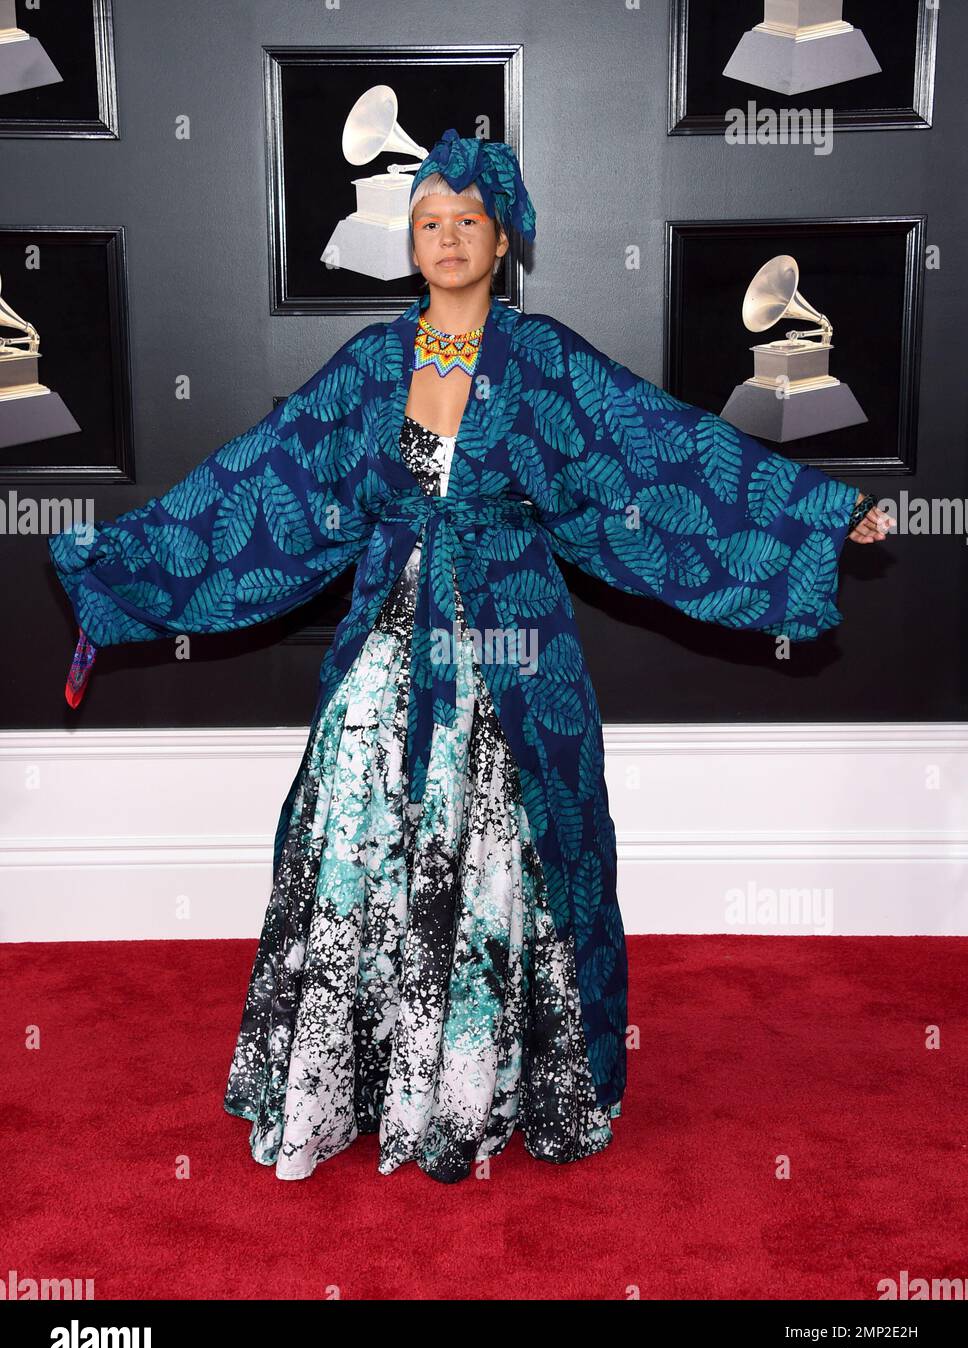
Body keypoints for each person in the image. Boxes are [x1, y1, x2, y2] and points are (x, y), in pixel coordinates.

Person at [48, 127, 894, 1185]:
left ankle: (479, 1082)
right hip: (386, 650)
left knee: (509, 853)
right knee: (359, 848)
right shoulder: (369, 366)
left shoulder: (540, 363)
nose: (445, 240)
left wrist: (821, 514)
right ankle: (358, 1079)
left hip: (514, 649)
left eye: (466, 223)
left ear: (501, 243)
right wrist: (116, 557)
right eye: (427, 223)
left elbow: (667, 446)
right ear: (411, 242)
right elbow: (254, 481)